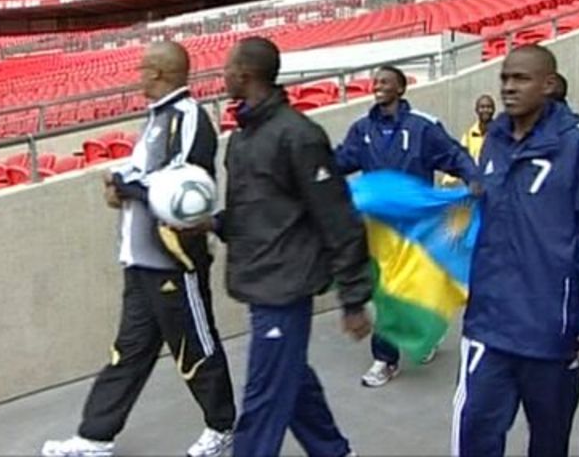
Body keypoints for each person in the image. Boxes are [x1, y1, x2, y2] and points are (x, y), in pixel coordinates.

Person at [42, 42, 235, 457]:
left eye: (143, 68)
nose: (137, 74)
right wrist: (118, 187)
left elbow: (181, 189)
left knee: (195, 346)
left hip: (173, 261)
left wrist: (125, 187)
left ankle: (223, 429)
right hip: (141, 262)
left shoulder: (187, 118)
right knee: (128, 351)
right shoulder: (155, 120)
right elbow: (136, 175)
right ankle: (95, 436)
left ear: (160, 73)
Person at [453, 44, 579, 457]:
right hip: (488, 330)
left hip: (553, 335)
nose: (508, 88)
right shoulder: (493, 139)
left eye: (520, 79)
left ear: (548, 85)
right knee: (473, 438)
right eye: (504, 78)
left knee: (549, 445)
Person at [218, 36, 374, 456]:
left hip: (285, 288)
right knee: (291, 380)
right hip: (260, 281)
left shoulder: (299, 135)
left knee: (263, 399)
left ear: (245, 75)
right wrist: (211, 223)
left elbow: (337, 217)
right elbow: (253, 212)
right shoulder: (241, 139)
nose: (223, 75)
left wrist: (354, 298)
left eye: (227, 68)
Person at [334, 64, 480, 387]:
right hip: (379, 229)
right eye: (375, 82)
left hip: (418, 227)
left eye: (385, 82)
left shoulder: (423, 127)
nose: (378, 86)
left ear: (401, 89)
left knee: (417, 285)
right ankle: (385, 359)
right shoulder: (362, 130)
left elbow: (454, 155)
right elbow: (341, 160)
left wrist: (472, 178)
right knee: (386, 289)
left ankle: (424, 335)